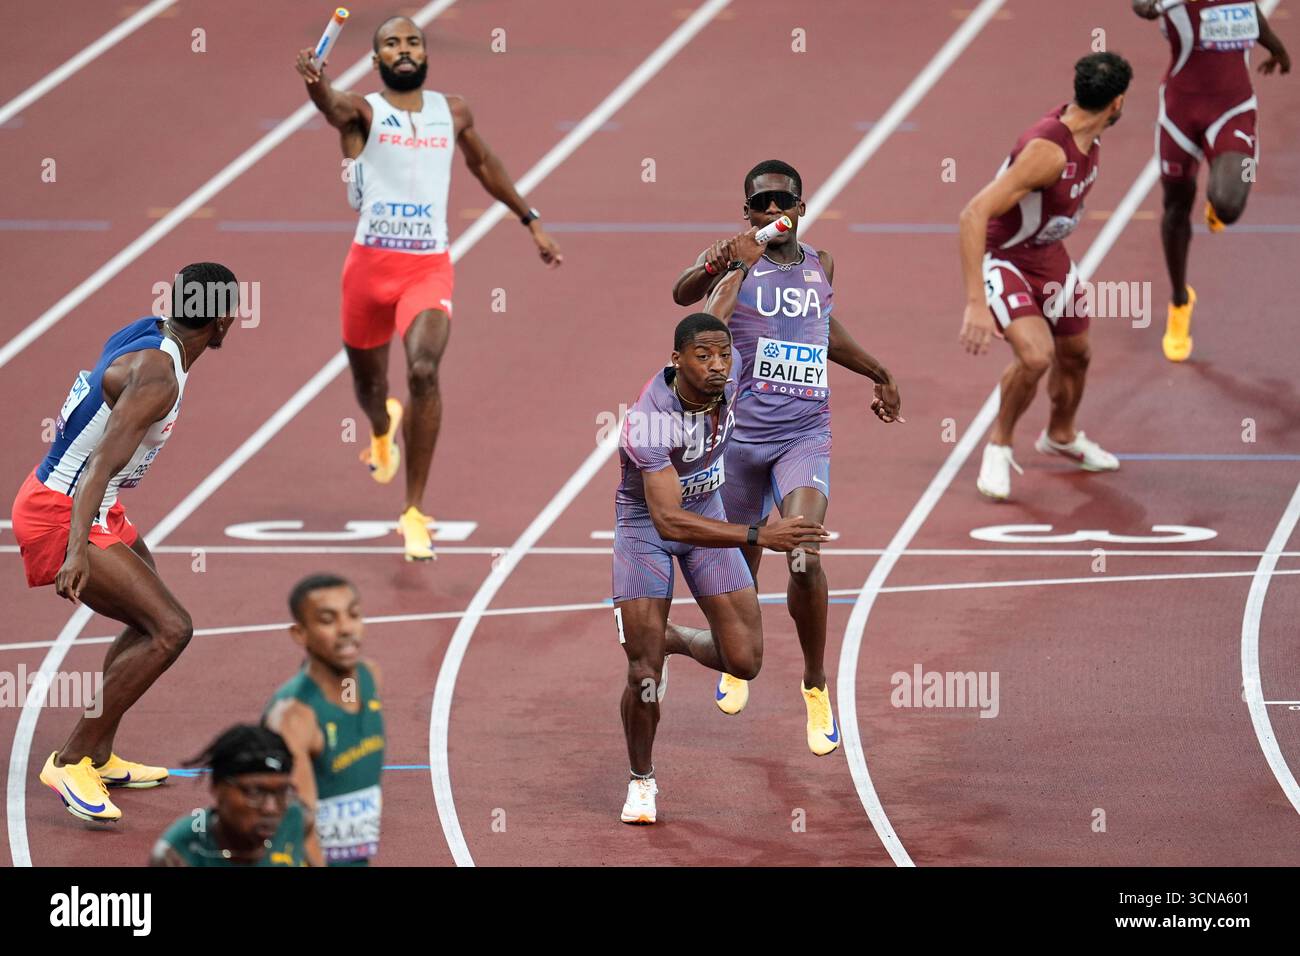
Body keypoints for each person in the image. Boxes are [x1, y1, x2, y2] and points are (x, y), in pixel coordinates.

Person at [296, 14, 563, 560]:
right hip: (368, 272)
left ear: (424, 53)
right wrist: (316, 83)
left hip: (427, 269)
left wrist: (529, 218)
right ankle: (379, 427)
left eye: (412, 41)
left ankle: (413, 509)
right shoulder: (366, 110)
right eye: (391, 43)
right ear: (375, 61)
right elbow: (333, 106)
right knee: (372, 392)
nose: (403, 49)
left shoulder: (453, 110)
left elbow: (483, 163)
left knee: (422, 369)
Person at [671, 161, 902, 756]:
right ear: (747, 212)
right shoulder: (736, 264)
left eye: (784, 201)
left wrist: (878, 371)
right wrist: (728, 262)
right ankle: (734, 655)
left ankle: (815, 682)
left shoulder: (820, 265)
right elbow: (691, 308)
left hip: (804, 436)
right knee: (742, 571)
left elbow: (821, 329)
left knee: (802, 556)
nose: (773, 211)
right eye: (761, 203)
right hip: (740, 441)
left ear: (801, 207)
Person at [11, 262, 240, 823]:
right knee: (172, 628)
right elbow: (96, 466)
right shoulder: (158, 379)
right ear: (223, 322)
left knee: (149, 617)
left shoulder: (152, 333)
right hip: (63, 511)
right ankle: (69, 761)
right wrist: (73, 551)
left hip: (95, 504)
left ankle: (98, 751)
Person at [614, 312, 829, 824]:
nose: (717, 366)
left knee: (745, 661)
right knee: (643, 673)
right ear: (676, 361)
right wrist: (759, 534)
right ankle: (642, 780)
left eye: (724, 355)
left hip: (707, 512)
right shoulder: (650, 422)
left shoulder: (729, 380)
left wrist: (737, 258)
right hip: (648, 531)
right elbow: (668, 520)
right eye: (704, 356)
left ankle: (674, 639)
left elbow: (724, 299)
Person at [958, 53, 1132, 500]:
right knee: (1036, 357)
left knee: (1077, 353)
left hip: (1049, 256)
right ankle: (998, 445)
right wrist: (976, 303)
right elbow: (973, 212)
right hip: (1007, 259)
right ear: (1118, 103)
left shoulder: (1087, 129)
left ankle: (1061, 434)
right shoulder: (1048, 153)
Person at [1132, 0, 1290, 361]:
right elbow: (1141, 6)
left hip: (1233, 108)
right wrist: (1150, 7)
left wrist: (1277, 48)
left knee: (1231, 203)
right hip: (1179, 113)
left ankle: (1224, 193)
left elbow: (1247, 12)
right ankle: (1179, 301)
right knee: (1175, 206)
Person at [264, 574, 384, 866]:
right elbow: (301, 828)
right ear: (300, 634)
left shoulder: (369, 678)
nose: (346, 629)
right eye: (328, 620)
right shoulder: (294, 718)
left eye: (353, 615)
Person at [150, 725, 306, 866]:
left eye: (282, 791)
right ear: (217, 788)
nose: (271, 808)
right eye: (255, 792)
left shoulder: (297, 820)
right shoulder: (179, 855)